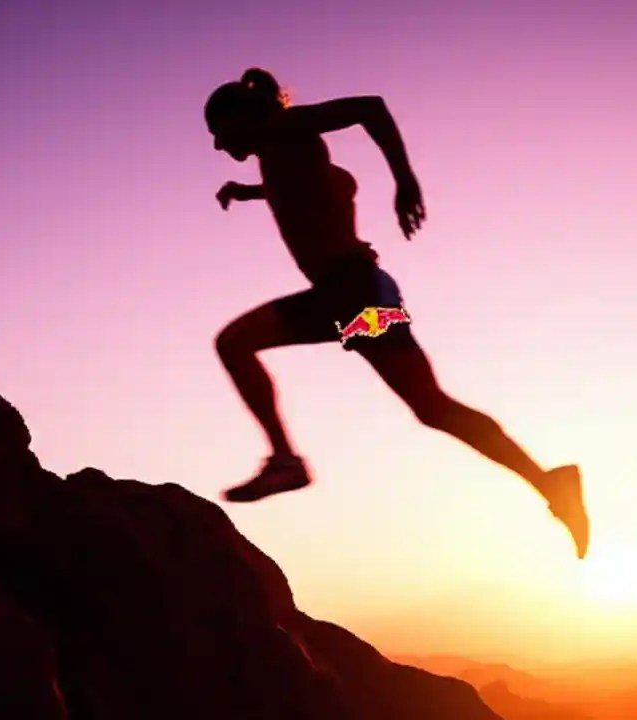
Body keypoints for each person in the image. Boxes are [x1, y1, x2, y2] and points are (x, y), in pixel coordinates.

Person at [205, 68, 589, 559]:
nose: (217, 144)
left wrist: (405, 181)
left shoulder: (284, 128)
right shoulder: (283, 156)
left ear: (241, 117)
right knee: (432, 407)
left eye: (218, 130)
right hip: (364, 299)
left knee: (234, 342)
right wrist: (247, 192)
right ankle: (549, 483)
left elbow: (370, 107)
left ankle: (285, 461)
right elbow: (295, 188)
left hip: (350, 295)